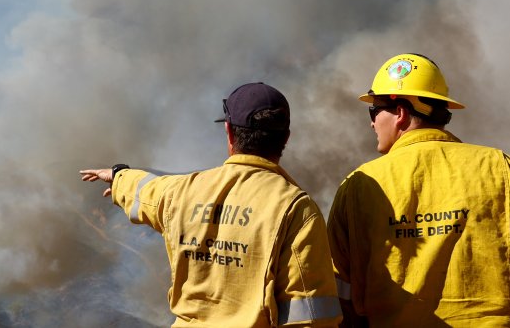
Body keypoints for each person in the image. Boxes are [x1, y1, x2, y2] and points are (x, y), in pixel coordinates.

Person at [326, 53, 510, 326]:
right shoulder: (502, 169)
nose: (371, 122)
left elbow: (339, 294)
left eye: (374, 111)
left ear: (400, 113)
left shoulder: (359, 185)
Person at [80, 82, 341, 327]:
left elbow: (146, 190)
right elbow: (310, 316)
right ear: (286, 138)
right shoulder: (296, 209)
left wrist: (119, 176)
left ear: (229, 132)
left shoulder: (181, 191)